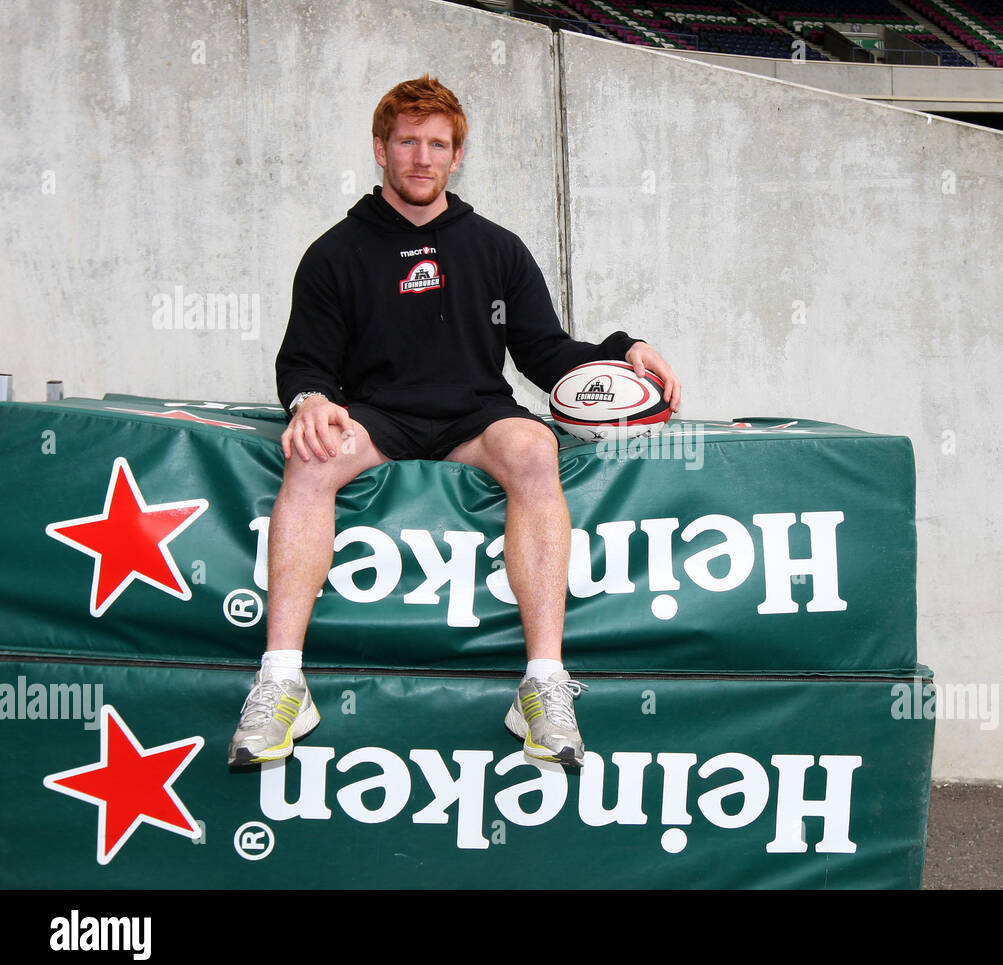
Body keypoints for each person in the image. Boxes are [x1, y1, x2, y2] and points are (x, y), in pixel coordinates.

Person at [227, 75, 680, 770]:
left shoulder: (494, 248)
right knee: (311, 457)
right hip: (379, 413)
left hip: (474, 413)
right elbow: (306, 363)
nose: (422, 157)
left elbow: (544, 352)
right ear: (380, 149)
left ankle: (543, 686)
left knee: (533, 448)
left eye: (438, 144)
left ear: (457, 156)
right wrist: (311, 401)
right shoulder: (335, 253)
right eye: (407, 141)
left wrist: (623, 349)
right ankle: (282, 681)